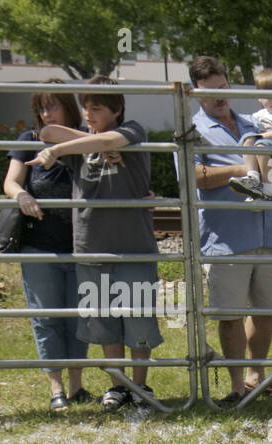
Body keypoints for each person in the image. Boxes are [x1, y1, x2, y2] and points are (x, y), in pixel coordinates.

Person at [28, 76, 162, 411]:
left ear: (117, 109)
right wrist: (94, 143)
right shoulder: (83, 145)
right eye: (85, 107)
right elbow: (47, 133)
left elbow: (114, 137)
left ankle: (140, 385)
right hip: (91, 250)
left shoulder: (134, 132)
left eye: (97, 108)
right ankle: (118, 386)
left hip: (134, 249)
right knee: (105, 325)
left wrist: (64, 149)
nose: (88, 113)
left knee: (138, 321)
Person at [186, 55, 272, 403]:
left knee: (264, 312)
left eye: (223, 88)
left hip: (268, 232)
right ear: (195, 93)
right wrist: (238, 170)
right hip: (226, 238)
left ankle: (255, 379)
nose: (220, 97)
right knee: (230, 315)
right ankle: (235, 386)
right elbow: (192, 179)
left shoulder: (253, 124)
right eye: (210, 92)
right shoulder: (192, 131)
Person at [3, 80, 91, 412]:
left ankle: (77, 387)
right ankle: (56, 389)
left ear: (68, 106)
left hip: (81, 244)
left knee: (78, 317)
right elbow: (11, 181)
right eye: (40, 107)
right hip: (39, 246)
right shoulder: (27, 140)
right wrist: (22, 195)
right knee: (46, 317)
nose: (45, 113)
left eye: (51, 105)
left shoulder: (83, 137)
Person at [229, 67, 272, 201]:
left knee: (259, 145)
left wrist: (259, 137)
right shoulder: (257, 116)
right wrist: (252, 139)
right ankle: (253, 178)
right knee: (248, 140)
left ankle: (267, 191)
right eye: (268, 96)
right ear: (259, 97)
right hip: (268, 159)